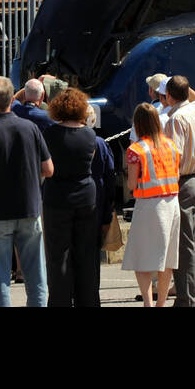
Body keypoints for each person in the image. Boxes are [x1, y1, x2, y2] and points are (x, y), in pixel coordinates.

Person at [0, 76, 53, 307]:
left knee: (0, 279)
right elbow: (48, 168)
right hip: (28, 207)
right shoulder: (31, 128)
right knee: (36, 276)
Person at [41, 87, 100, 307]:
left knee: (58, 256)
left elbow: (44, 164)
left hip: (57, 197)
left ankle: (60, 301)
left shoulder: (50, 134)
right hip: (86, 195)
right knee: (85, 254)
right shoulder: (90, 134)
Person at [120, 102, 181, 307]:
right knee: (167, 258)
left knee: (142, 257)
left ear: (137, 124)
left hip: (148, 206)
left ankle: (147, 302)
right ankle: (161, 303)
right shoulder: (171, 145)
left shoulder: (136, 149)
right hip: (172, 204)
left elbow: (131, 184)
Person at [162, 74, 195, 307]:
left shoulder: (175, 120)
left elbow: (173, 157)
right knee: (194, 245)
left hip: (181, 182)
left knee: (184, 247)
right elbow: (194, 96)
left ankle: (186, 299)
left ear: (169, 95)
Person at [87, 105, 118, 302]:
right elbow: (111, 176)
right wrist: (109, 212)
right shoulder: (100, 143)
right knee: (92, 257)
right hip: (96, 204)